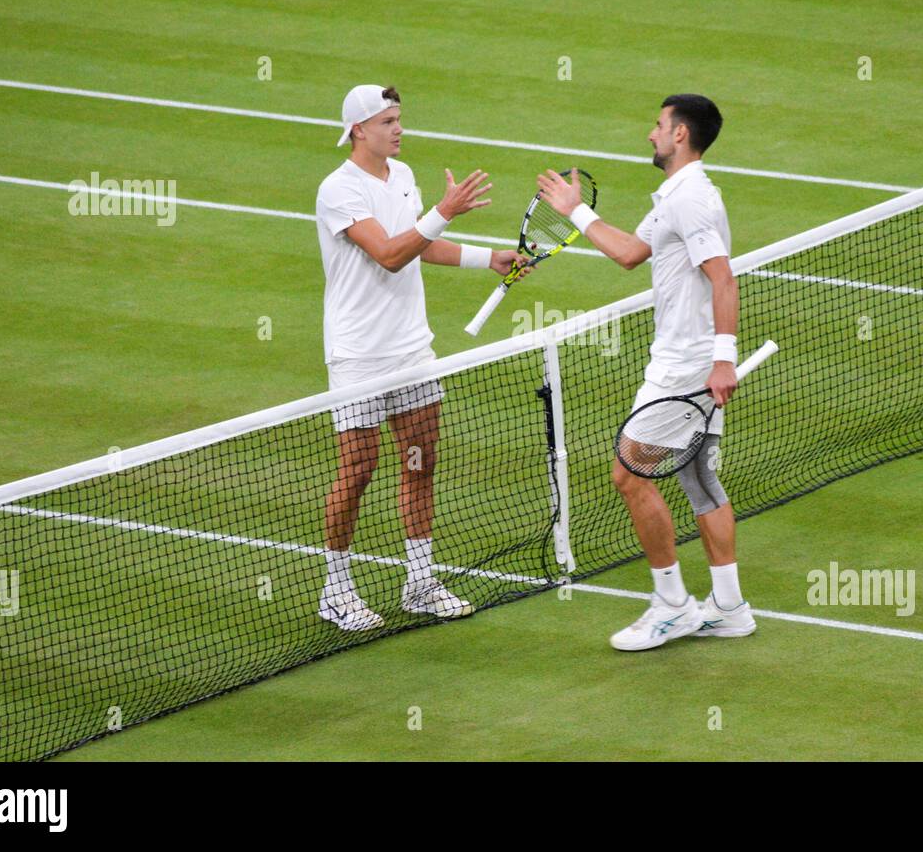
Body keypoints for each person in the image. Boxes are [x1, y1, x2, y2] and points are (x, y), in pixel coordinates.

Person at [536, 94, 756, 651]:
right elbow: (632, 252)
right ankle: (729, 607)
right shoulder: (677, 196)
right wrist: (575, 211)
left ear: (681, 135)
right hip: (688, 360)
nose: (650, 134)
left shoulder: (692, 201)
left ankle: (672, 605)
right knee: (700, 478)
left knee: (629, 475)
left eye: (658, 125)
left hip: (685, 366)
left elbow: (723, 277)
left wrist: (723, 358)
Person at [315, 84, 526, 631]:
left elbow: (419, 244)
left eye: (399, 119)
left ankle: (420, 581)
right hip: (359, 355)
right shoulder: (337, 190)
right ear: (359, 130)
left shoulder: (402, 177)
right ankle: (336, 589)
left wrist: (488, 259)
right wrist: (445, 210)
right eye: (388, 121)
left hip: (412, 349)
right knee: (357, 471)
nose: (398, 128)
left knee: (419, 462)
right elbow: (387, 255)